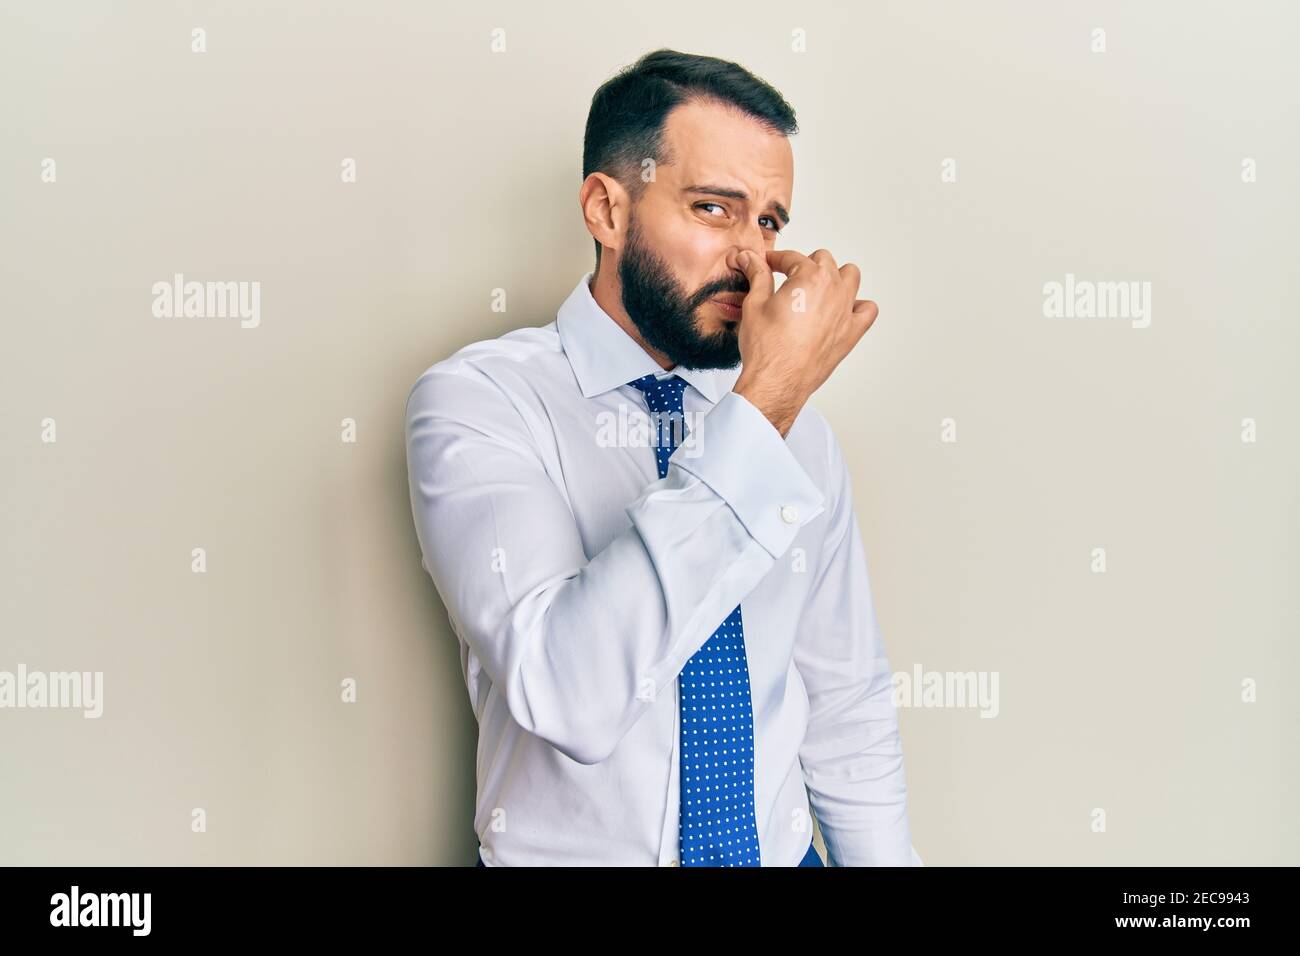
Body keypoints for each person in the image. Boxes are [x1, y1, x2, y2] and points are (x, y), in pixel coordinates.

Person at [405, 48, 922, 867]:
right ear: (606, 210)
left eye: (770, 221)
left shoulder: (800, 432)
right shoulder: (479, 403)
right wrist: (765, 409)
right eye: (715, 208)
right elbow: (567, 695)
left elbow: (844, 700)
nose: (752, 258)